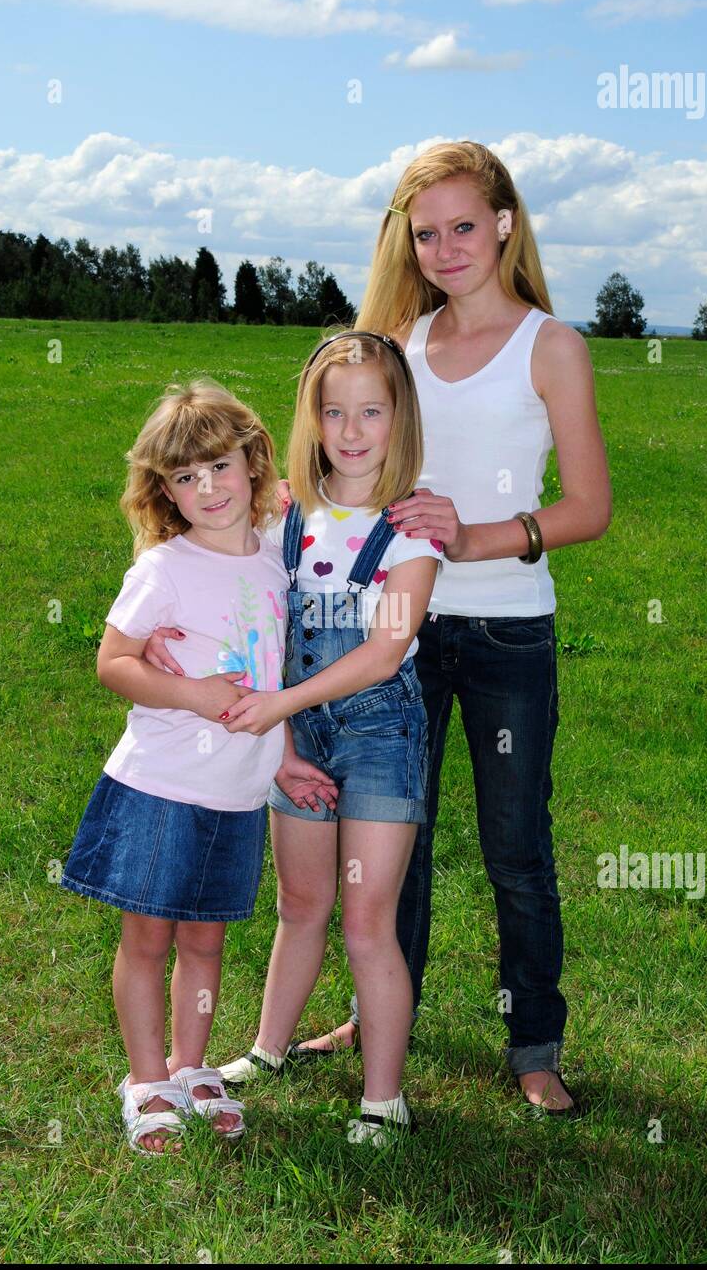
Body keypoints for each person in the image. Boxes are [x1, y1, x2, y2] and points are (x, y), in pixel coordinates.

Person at [287, 140, 612, 1115]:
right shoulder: (397, 342)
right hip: (402, 630)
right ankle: (379, 1010)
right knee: (394, 838)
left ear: (504, 223)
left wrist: (474, 536)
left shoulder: (548, 345)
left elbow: (589, 506)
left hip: (510, 635)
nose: (444, 247)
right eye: (423, 233)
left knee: (515, 844)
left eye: (463, 226)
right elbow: (343, 465)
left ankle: (534, 1044)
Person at [154, 333, 441, 1144]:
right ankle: (268, 1049)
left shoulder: (411, 527)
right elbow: (233, 599)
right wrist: (278, 737)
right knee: (301, 904)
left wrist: (280, 706)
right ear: (310, 418)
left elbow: (385, 649)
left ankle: (382, 1097)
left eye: (371, 412)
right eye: (332, 411)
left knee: (365, 920)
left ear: (400, 419)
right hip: (294, 734)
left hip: (380, 729)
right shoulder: (281, 511)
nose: (350, 431)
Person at [59, 379, 337, 1155]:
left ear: (252, 462)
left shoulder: (276, 558)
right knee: (148, 940)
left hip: (238, 793)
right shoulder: (166, 567)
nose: (206, 488)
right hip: (161, 785)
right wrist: (191, 692)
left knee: (207, 944)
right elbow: (113, 661)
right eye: (184, 477)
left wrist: (280, 759)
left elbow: (270, 674)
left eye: (219, 466)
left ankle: (191, 1066)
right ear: (164, 492)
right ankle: (146, 1082)